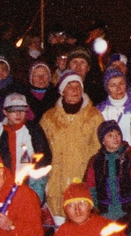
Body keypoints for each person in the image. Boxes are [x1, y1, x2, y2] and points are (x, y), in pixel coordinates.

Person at [40, 71, 104, 224]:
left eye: (78, 86)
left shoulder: (94, 116)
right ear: (62, 91)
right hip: (56, 184)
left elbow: (100, 151)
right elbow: (41, 153)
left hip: (83, 183)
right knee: (60, 229)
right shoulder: (49, 118)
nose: (75, 90)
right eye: (70, 86)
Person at [84, 121, 131, 236]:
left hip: (128, 215)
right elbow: (90, 190)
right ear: (102, 140)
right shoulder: (95, 162)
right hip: (104, 217)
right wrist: (94, 212)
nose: (115, 138)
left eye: (118, 134)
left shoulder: (130, 159)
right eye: (110, 135)